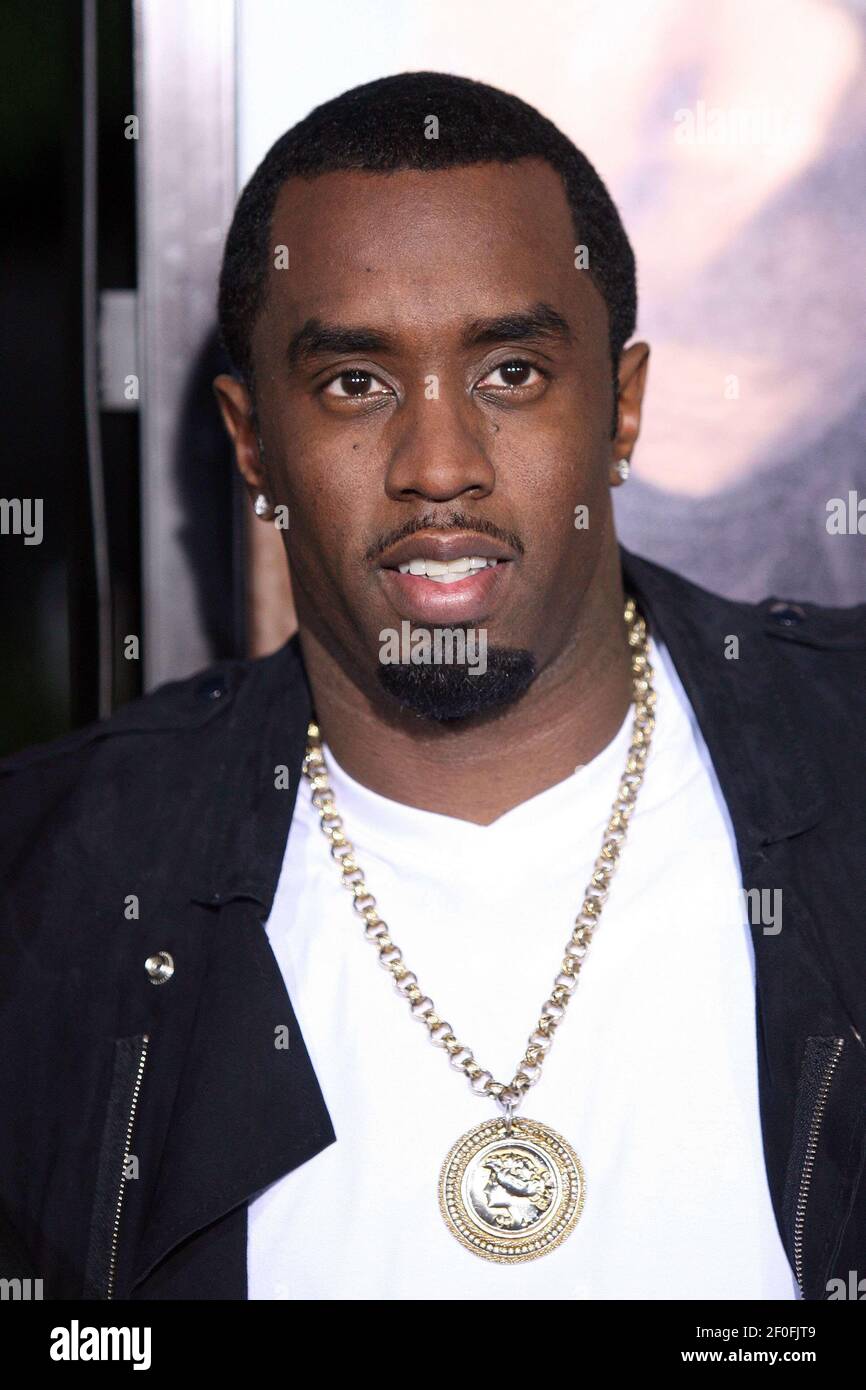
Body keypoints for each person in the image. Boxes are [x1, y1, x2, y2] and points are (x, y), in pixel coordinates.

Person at [1, 72, 864, 1302]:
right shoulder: (47, 893)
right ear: (253, 443)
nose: (439, 465)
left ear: (619, 410)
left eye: (509, 371)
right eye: (355, 382)